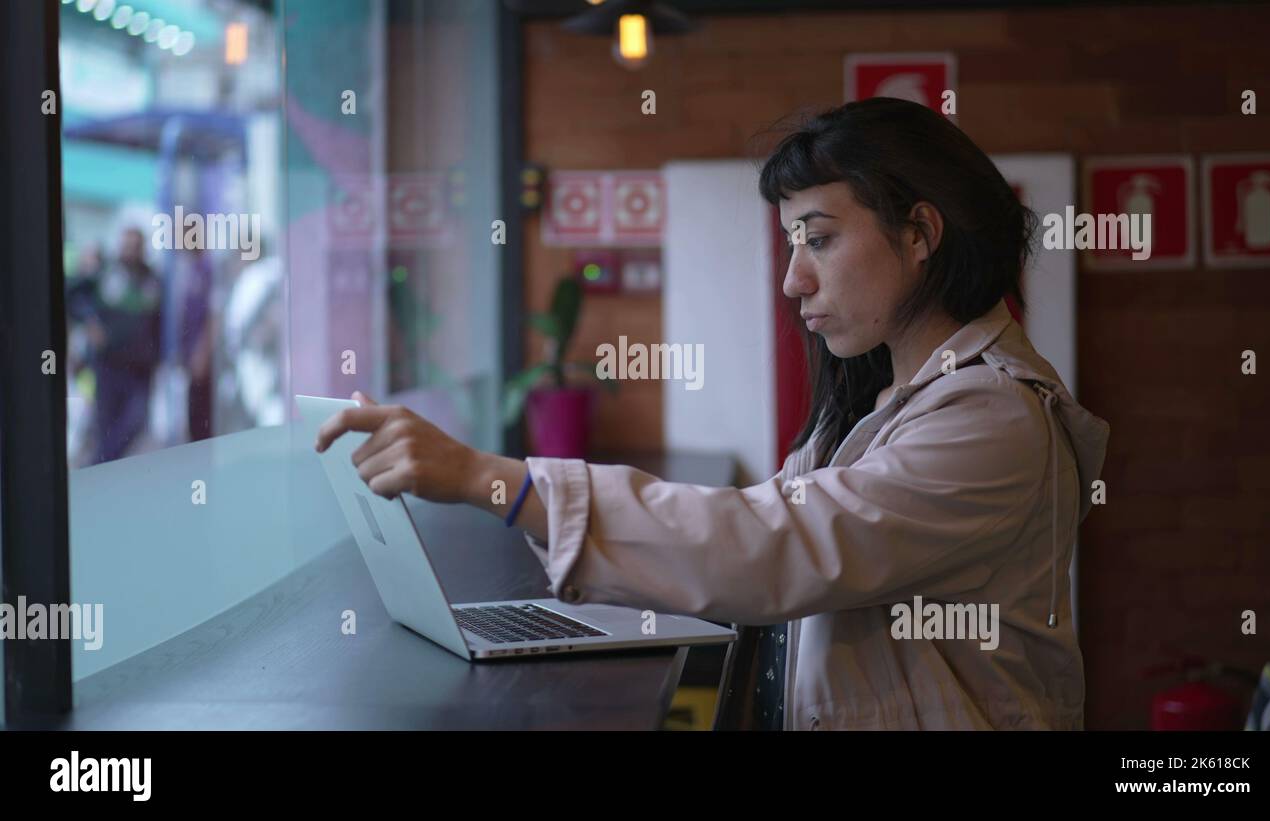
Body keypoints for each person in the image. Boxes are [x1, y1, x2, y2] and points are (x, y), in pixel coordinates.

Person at [314, 97, 1110, 730]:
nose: (793, 280)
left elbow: (774, 548)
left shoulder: (991, 419)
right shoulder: (882, 401)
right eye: (792, 247)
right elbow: (761, 541)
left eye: (820, 240)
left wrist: (493, 481)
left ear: (920, 233)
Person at [87, 227, 163, 463]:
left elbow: (160, 321)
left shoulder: (152, 281)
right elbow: (78, 299)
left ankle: (100, 464)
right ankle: (101, 469)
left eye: (135, 246)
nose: (130, 251)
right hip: (109, 365)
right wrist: (90, 325)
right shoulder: (106, 275)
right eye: (127, 245)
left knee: (135, 422)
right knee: (106, 425)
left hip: (139, 369)